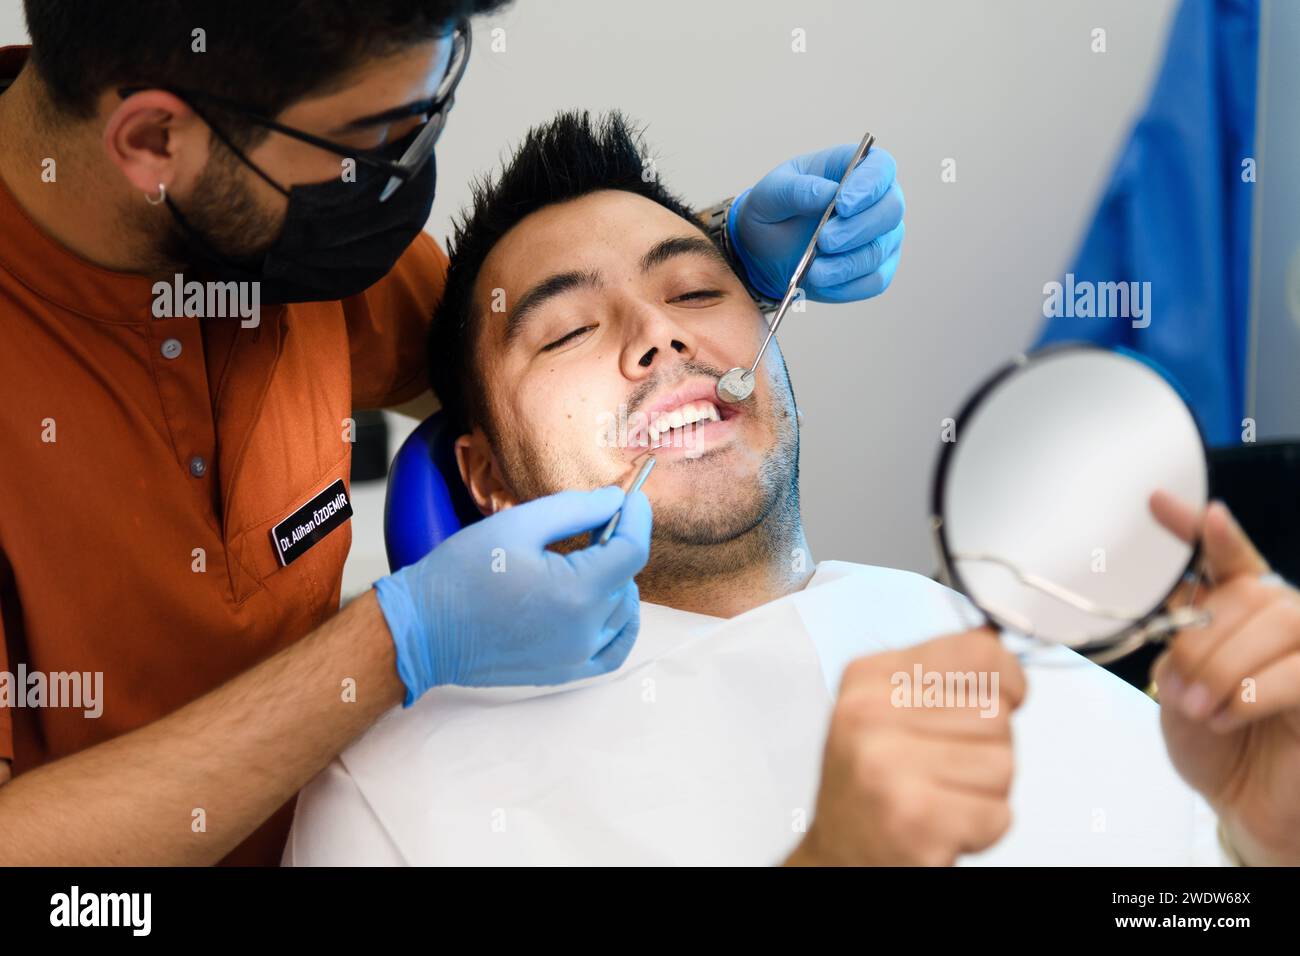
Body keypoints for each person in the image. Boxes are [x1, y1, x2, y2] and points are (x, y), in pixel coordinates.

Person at [0, 2, 909, 865]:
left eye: (425, 112)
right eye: (368, 143)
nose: (406, 173)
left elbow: (518, 344)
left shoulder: (274, 236)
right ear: (155, 143)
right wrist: (394, 643)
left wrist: (719, 252)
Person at [285, 111, 1300, 865]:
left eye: (694, 290)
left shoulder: (1002, 651)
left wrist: (1264, 843)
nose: (663, 334)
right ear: (488, 478)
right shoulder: (391, 792)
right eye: (568, 329)